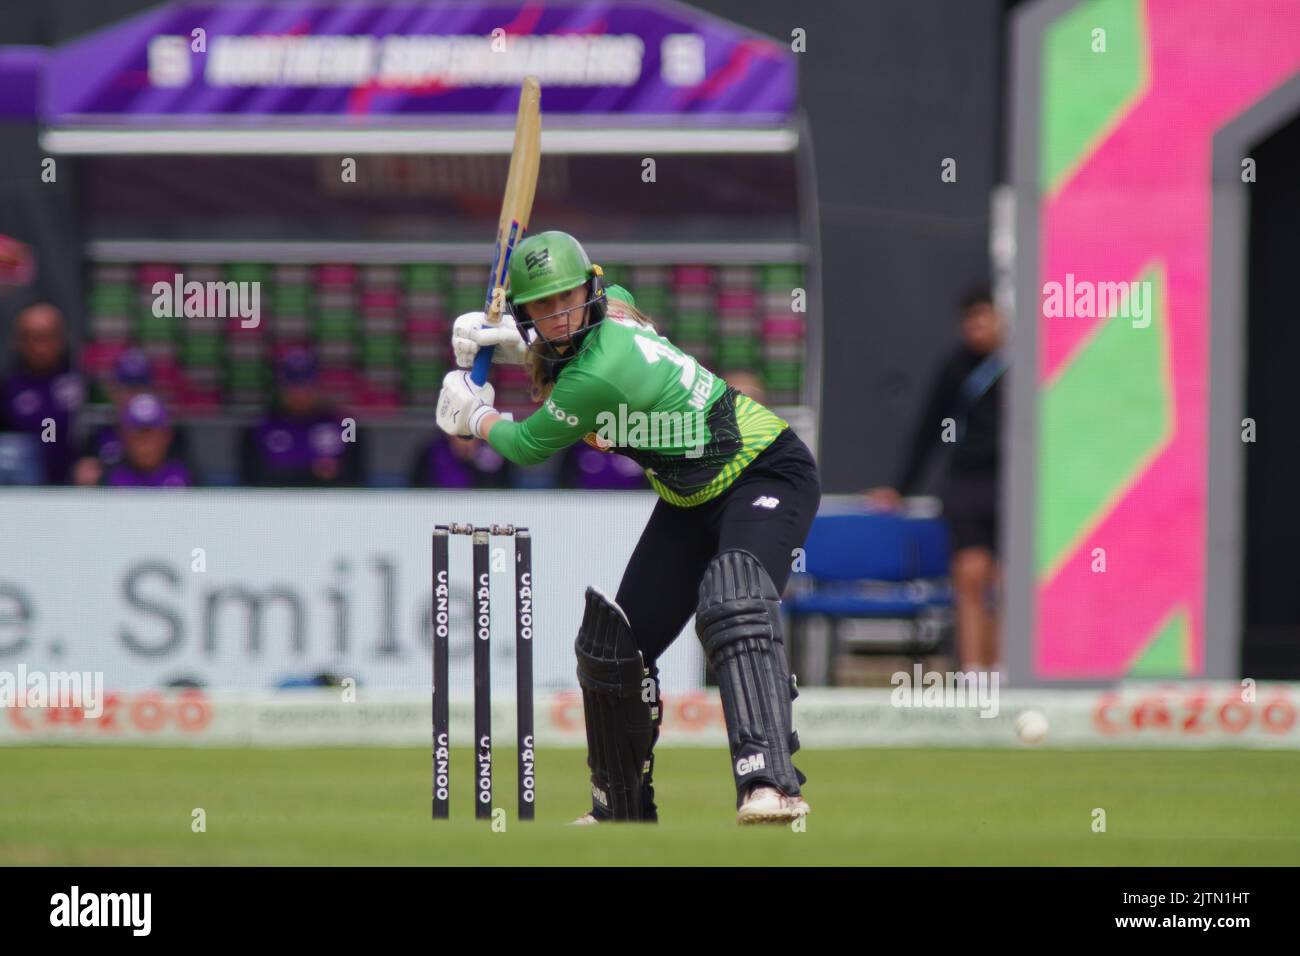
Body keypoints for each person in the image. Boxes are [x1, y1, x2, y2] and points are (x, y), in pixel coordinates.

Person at [437, 231, 820, 825]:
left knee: (734, 598)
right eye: (541, 306)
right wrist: (511, 344)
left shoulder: (599, 375)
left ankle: (770, 783)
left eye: (567, 297)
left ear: (589, 286)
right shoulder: (612, 303)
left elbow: (529, 443)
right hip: (688, 496)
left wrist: (476, 415)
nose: (559, 316)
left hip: (763, 469)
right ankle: (621, 810)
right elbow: (568, 341)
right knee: (613, 650)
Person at [865, 286, 1006, 674]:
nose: (978, 327)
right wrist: (900, 487)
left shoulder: (1023, 366)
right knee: (970, 574)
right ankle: (974, 670)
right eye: (971, 319)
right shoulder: (955, 368)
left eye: (985, 317)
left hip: (1010, 488)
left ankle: (1005, 669)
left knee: (1008, 581)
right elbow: (929, 431)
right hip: (966, 485)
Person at [240, 349, 362, 487]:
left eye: (306, 385)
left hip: (330, 504)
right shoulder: (257, 428)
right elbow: (252, 477)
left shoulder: (346, 426)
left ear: (318, 385)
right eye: (292, 386)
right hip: (275, 504)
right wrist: (312, 472)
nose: (299, 394)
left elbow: (355, 476)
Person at [73, 348, 192, 486]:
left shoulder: (176, 440)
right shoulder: (98, 436)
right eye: (127, 388)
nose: (133, 395)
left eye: (140, 386)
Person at [0, 301, 81, 484]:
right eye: (31, 337)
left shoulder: (81, 379)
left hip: (77, 489)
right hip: (22, 490)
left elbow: (100, 427)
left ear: (62, 338)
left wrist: (93, 460)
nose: (40, 346)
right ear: (18, 342)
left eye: (47, 336)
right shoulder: (8, 387)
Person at [102, 393, 194, 487]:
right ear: (124, 437)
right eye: (138, 435)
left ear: (167, 436)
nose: (145, 444)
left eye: (151, 434)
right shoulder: (108, 479)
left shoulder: (187, 476)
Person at [408, 431, 514, 488]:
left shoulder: (495, 454)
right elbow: (419, 490)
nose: (464, 441)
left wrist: (472, 461)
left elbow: (502, 493)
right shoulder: (431, 453)